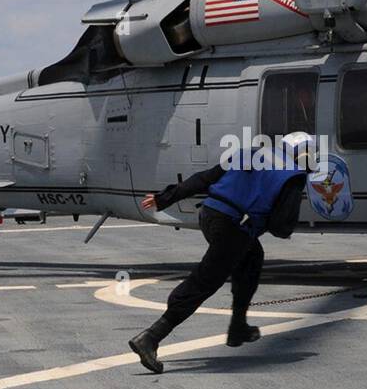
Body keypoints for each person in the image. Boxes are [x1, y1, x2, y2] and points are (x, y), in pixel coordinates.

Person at [128, 132, 313, 374]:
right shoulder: (293, 176)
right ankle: (151, 338)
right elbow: (281, 227)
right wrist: (267, 218)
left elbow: (205, 178)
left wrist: (164, 198)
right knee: (205, 280)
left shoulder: (251, 153)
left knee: (252, 258)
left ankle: (238, 326)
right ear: (304, 154)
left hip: (209, 214)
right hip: (233, 228)